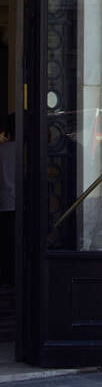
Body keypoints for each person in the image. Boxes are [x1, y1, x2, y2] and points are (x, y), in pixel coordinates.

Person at [0, 113, 14, 287]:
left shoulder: (2, 149)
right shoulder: (28, 149)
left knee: (6, 245)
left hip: (4, 202)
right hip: (23, 203)